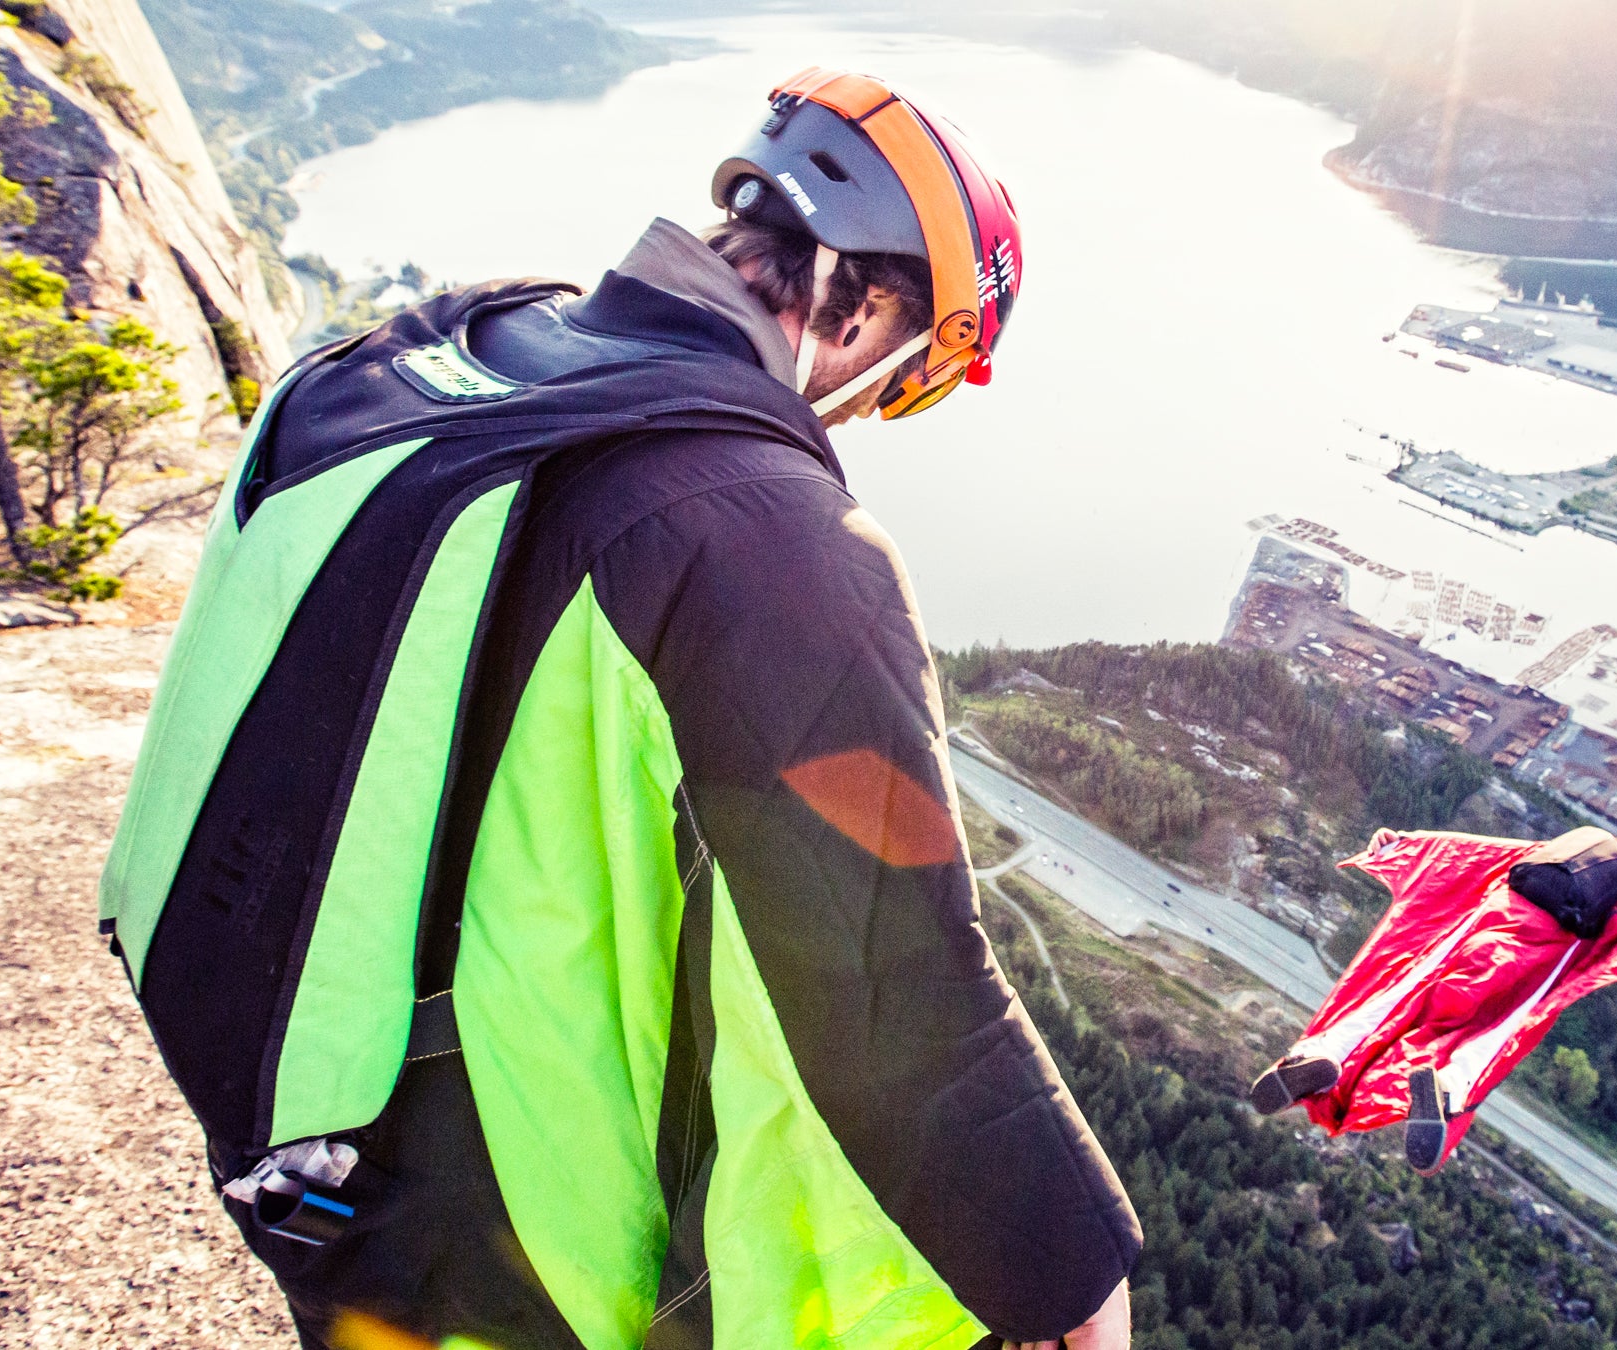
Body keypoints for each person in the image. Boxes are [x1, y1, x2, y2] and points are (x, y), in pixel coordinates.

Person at [98, 67, 1137, 1350]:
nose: (871, 412)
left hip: (304, 1129)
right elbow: (898, 979)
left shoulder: (438, 350)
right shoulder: (762, 532)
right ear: (866, 304)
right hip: (485, 1230)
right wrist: (1075, 1287)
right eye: (909, 378)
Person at [1250, 826, 1617, 1174]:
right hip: (1539, 956)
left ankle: (1323, 1053)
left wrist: (1399, 845)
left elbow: (1466, 852)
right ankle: (1450, 1088)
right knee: (1492, 1035)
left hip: (1484, 922)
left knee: (1399, 994)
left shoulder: (1554, 848)